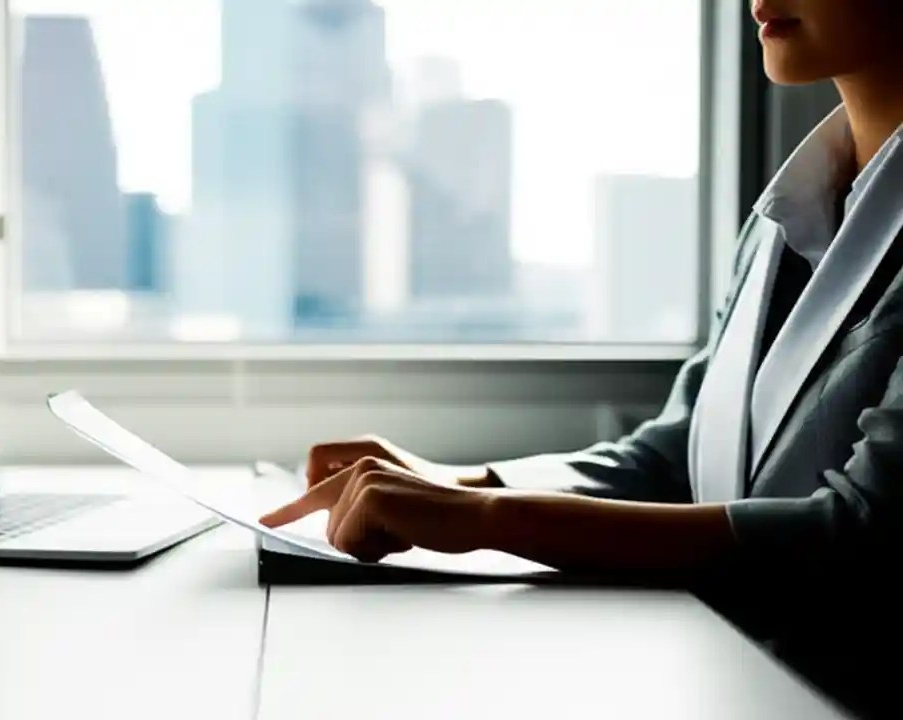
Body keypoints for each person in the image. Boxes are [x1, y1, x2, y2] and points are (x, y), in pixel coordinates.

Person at [259, 1, 903, 717]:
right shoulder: (790, 209)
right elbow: (677, 457)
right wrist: (456, 481)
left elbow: (861, 539)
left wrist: (488, 518)